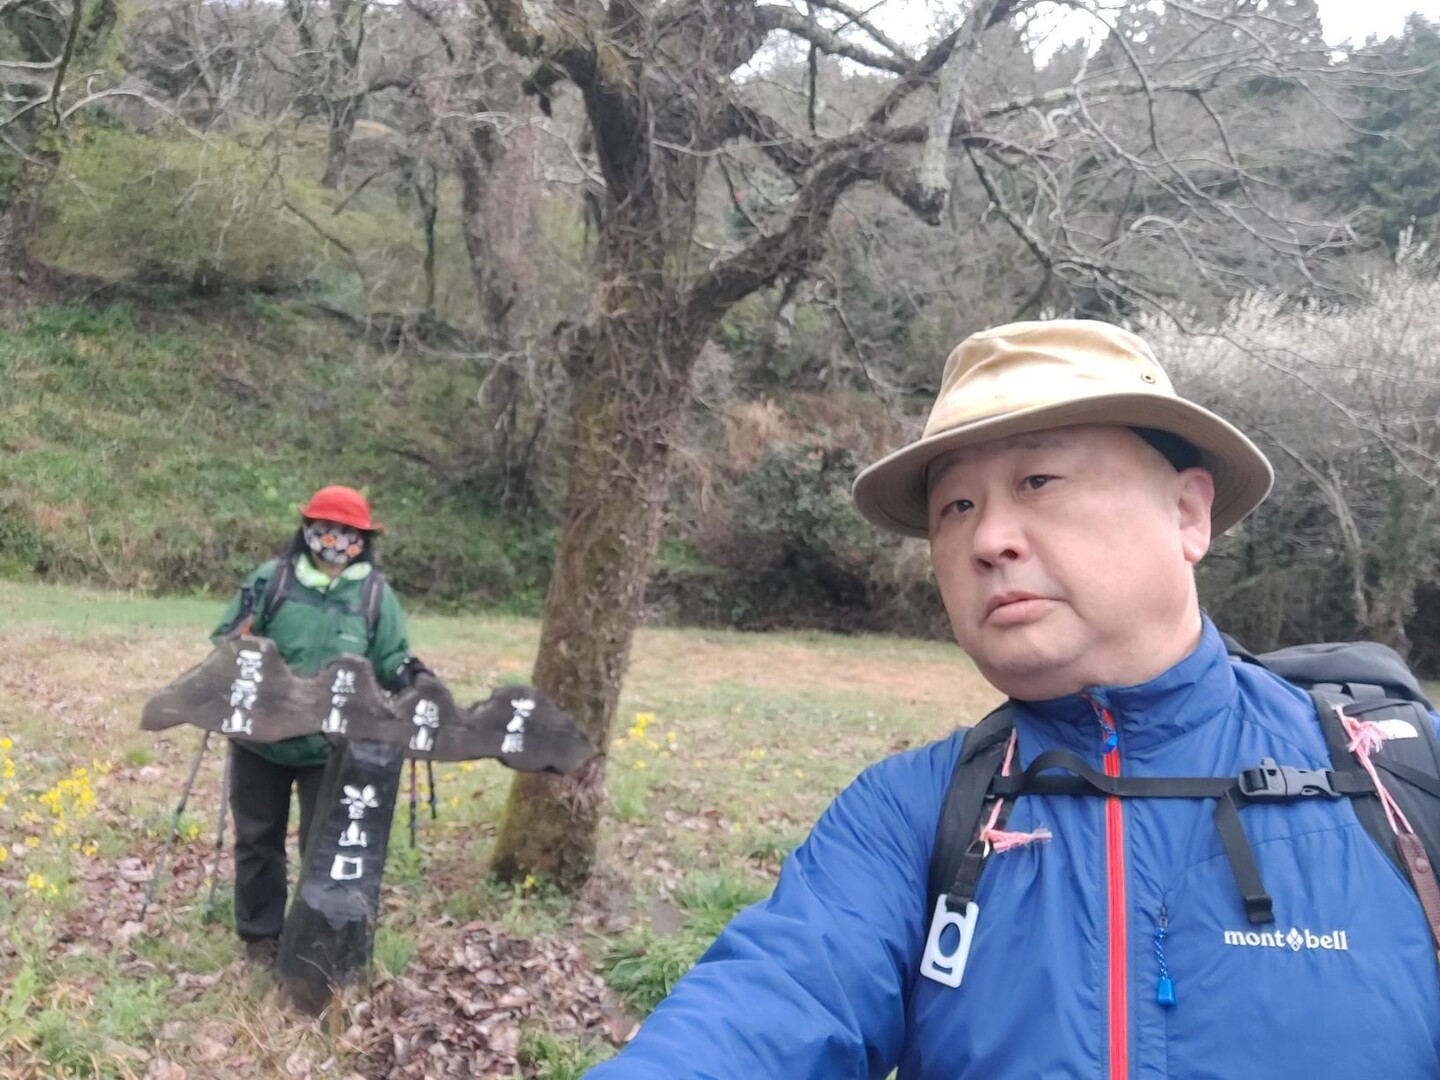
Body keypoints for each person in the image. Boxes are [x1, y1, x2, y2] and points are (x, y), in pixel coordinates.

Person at [588, 321, 1440, 1077]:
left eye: (1038, 481)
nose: (989, 539)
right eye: (956, 505)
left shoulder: (1401, 784)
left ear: (1187, 512)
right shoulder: (912, 816)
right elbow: (767, 1008)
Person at [210, 484, 415, 965]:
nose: (336, 541)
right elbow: (228, 641)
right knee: (258, 840)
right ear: (306, 530)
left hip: (331, 749)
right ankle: (260, 938)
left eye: (349, 533)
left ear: (364, 540)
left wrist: (414, 677)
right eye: (326, 529)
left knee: (322, 846)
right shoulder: (271, 581)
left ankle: (312, 935)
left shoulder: (374, 595)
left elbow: (391, 658)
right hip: (260, 740)